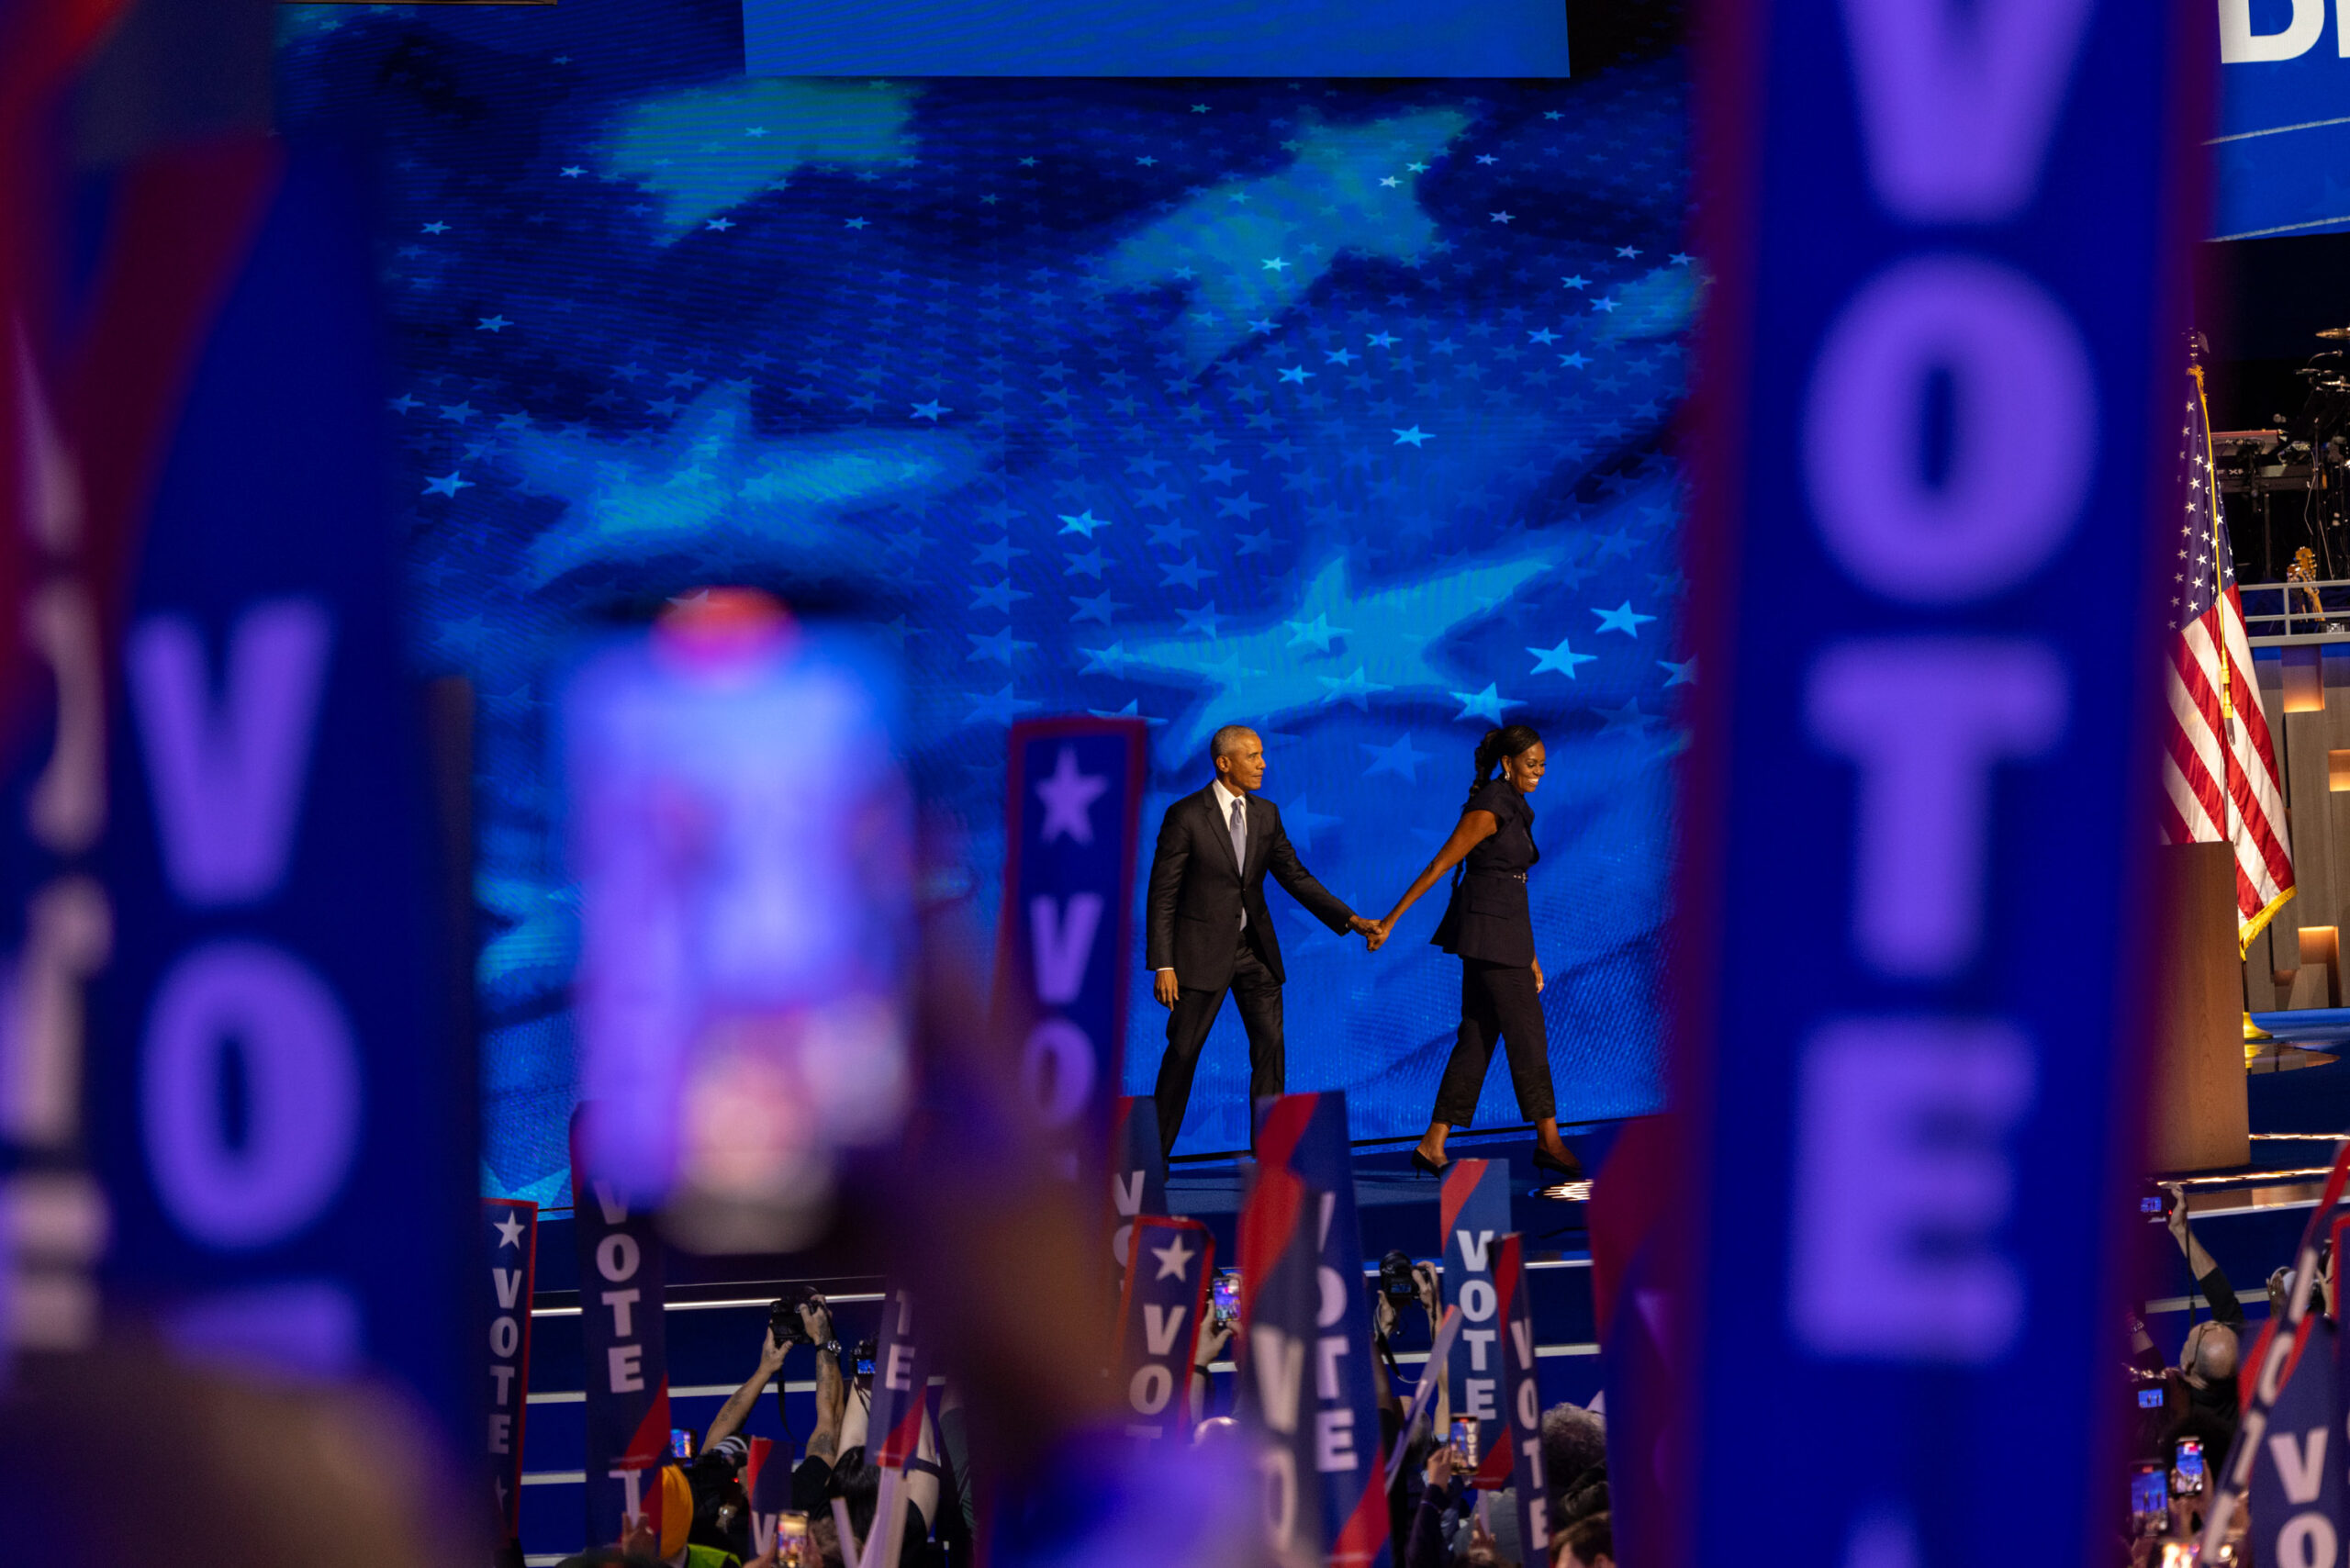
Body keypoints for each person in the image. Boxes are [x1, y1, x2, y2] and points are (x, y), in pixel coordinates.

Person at [1145, 723, 1380, 1154]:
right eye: (1252, 756)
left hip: (1255, 953)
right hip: (1199, 957)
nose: (1262, 764)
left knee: (1270, 1050)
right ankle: (1151, 1160)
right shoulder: (1186, 815)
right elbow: (1162, 895)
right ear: (1224, 763)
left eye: (1262, 755)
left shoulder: (1266, 814)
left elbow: (1295, 877)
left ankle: (1271, 1157)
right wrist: (1164, 964)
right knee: (1183, 1054)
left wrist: (1349, 919)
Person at [1367, 725, 1581, 1180]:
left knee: (1478, 1038)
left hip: (1505, 936)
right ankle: (1548, 1139)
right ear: (1508, 763)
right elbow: (1440, 864)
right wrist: (1390, 919)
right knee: (1528, 1036)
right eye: (1531, 764)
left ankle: (1432, 1143)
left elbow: (1513, 889)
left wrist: (1531, 953)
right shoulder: (1489, 807)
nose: (1539, 772)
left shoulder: (1517, 806)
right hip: (1490, 938)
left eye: (1543, 764)